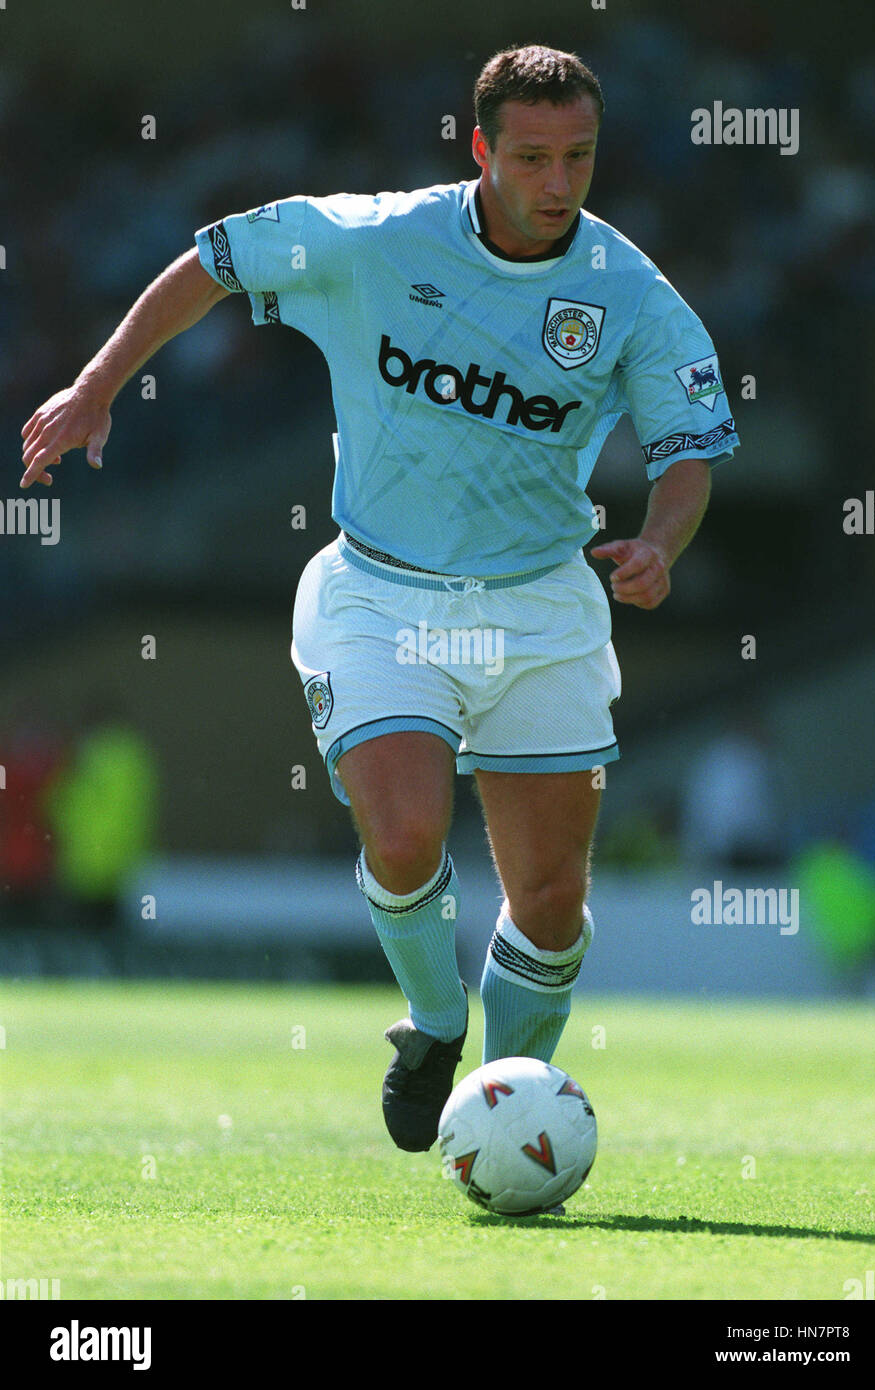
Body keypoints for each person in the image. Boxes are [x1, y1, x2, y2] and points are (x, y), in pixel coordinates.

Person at [19, 45, 739, 1154]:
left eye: (581, 156)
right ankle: (436, 1022)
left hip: (542, 604)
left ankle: (511, 1096)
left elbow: (689, 446)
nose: (560, 182)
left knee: (548, 903)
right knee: (404, 835)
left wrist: (658, 540)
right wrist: (97, 385)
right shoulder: (374, 239)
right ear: (482, 148)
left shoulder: (629, 293)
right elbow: (214, 257)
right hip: (381, 596)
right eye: (535, 157)